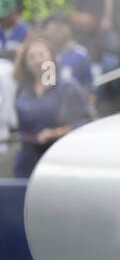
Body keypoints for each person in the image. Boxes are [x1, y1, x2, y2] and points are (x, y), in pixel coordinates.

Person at [12, 32, 93, 178]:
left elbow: (86, 122)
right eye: (31, 57)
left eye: (41, 54)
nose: (36, 60)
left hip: (59, 161)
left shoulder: (67, 87)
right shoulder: (23, 91)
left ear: (51, 57)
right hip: (28, 163)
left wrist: (54, 133)